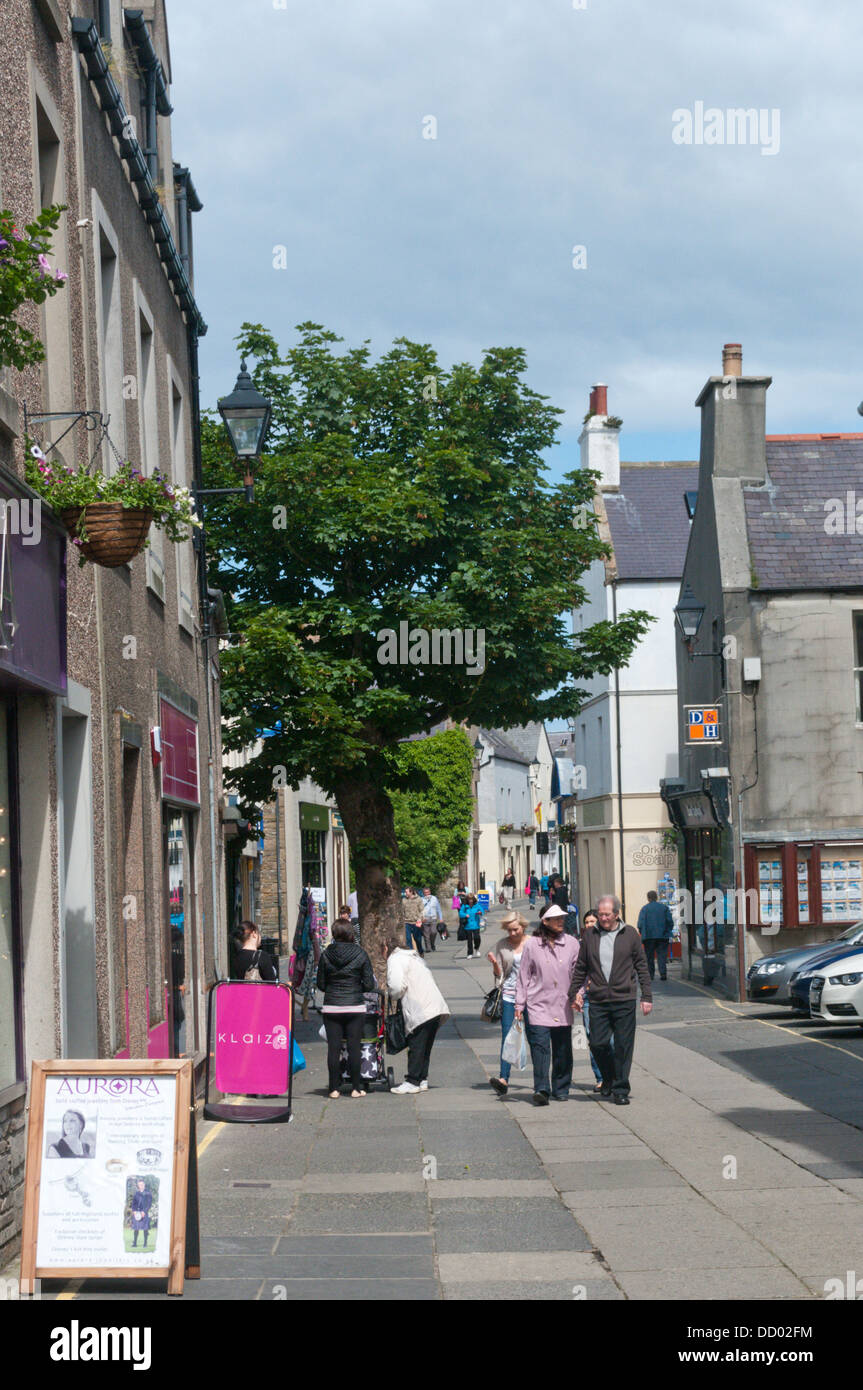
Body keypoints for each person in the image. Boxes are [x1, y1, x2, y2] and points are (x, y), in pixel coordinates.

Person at [570, 894, 652, 1105]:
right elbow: (581, 967)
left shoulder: (630, 934)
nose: (603, 918)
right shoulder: (590, 935)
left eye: (607, 914)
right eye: (600, 914)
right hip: (597, 998)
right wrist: (573, 994)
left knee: (624, 1046)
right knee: (597, 1043)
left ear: (617, 914)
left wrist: (646, 996)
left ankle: (620, 1089)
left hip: (624, 998)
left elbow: (642, 966)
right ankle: (608, 1076)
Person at [514, 903, 580, 1105]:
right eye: (557, 919)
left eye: (562, 918)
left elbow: (579, 974)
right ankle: (542, 1088)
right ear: (545, 921)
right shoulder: (533, 945)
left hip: (563, 1003)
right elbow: (523, 975)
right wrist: (519, 1004)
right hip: (538, 1004)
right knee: (540, 1047)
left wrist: (579, 995)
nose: (561, 922)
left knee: (562, 1049)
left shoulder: (572, 943)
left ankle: (561, 1087)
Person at [316, 921, 376, 1098]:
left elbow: (320, 984)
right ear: (351, 934)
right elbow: (369, 984)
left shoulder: (326, 954)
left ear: (334, 934)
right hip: (355, 1006)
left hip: (332, 1006)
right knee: (354, 1047)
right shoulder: (361, 953)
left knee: (333, 1048)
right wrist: (356, 989)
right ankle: (356, 1088)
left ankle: (334, 1088)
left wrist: (333, 988)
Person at [385, 933, 450, 1092]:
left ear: (386, 948)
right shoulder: (414, 958)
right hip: (435, 1007)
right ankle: (422, 1079)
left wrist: (391, 995)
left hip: (420, 1009)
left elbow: (396, 986)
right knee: (425, 1047)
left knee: (416, 1045)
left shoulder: (395, 958)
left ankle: (412, 1081)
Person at [487, 911, 529, 1096]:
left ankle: (543, 1081)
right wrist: (495, 964)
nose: (512, 934)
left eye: (516, 930)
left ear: (523, 927)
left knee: (537, 1039)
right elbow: (500, 975)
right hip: (509, 996)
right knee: (507, 1037)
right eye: (509, 930)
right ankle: (503, 1078)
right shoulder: (502, 945)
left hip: (531, 996)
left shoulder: (532, 943)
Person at [578, 909, 605, 1091]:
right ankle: (601, 1077)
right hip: (588, 996)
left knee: (609, 1040)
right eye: (586, 922)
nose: (588, 924)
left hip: (608, 996)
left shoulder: (608, 942)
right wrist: (579, 993)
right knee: (592, 1038)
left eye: (591, 921)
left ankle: (613, 1073)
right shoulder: (580, 945)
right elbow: (577, 972)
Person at [637, 890, 674, 981]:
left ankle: (651, 974)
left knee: (649, 957)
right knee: (662, 955)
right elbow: (670, 921)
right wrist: (667, 930)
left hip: (649, 936)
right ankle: (663, 974)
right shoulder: (664, 908)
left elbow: (640, 924)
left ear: (648, 898)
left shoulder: (644, 909)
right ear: (656, 897)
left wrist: (642, 933)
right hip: (662, 936)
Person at [130, 1178, 153, 1248]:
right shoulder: (136, 1193)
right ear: (138, 1186)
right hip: (136, 1213)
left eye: (142, 1184)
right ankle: (135, 1243)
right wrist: (134, 1211)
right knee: (136, 1228)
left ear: (144, 1185)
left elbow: (149, 1204)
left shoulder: (148, 1193)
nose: (141, 1186)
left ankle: (145, 1244)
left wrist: (144, 1211)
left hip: (144, 1213)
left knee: (145, 1229)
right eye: (140, 1185)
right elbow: (133, 1203)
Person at [458, 892, 483, 957]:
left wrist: (480, 912)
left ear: (473, 899)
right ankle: (470, 953)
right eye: (469, 899)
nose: (470, 901)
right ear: (467, 899)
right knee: (469, 940)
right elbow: (460, 913)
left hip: (476, 924)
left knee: (477, 938)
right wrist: (465, 915)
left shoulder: (477, 905)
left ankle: (477, 948)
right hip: (468, 925)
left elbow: (482, 910)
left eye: (471, 899)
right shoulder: (464, 905)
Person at [420, 887, 444, 951]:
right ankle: (428, 948)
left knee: (434, 932)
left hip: (433, 918)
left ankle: (432, 944)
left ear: (430, 892)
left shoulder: (434, 899)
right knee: (426, 934)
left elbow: (438, 909)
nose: (426, 894)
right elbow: (419, 910)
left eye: (427, 892)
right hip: (425, 918)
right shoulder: (421, 899)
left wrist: (441, 918)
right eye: (425, 893)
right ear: (423, 893)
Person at [403, 887, 424, 954]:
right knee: (408, 939)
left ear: (411, 892)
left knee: (417, 939)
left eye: (406, 892)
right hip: (407, 922)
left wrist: (420, 918)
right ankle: (412, 954)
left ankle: (420, 951)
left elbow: (422, 910)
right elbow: (402, 910)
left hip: (416, 922)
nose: (405, 893)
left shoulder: (418, 899)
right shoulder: (404, 900)